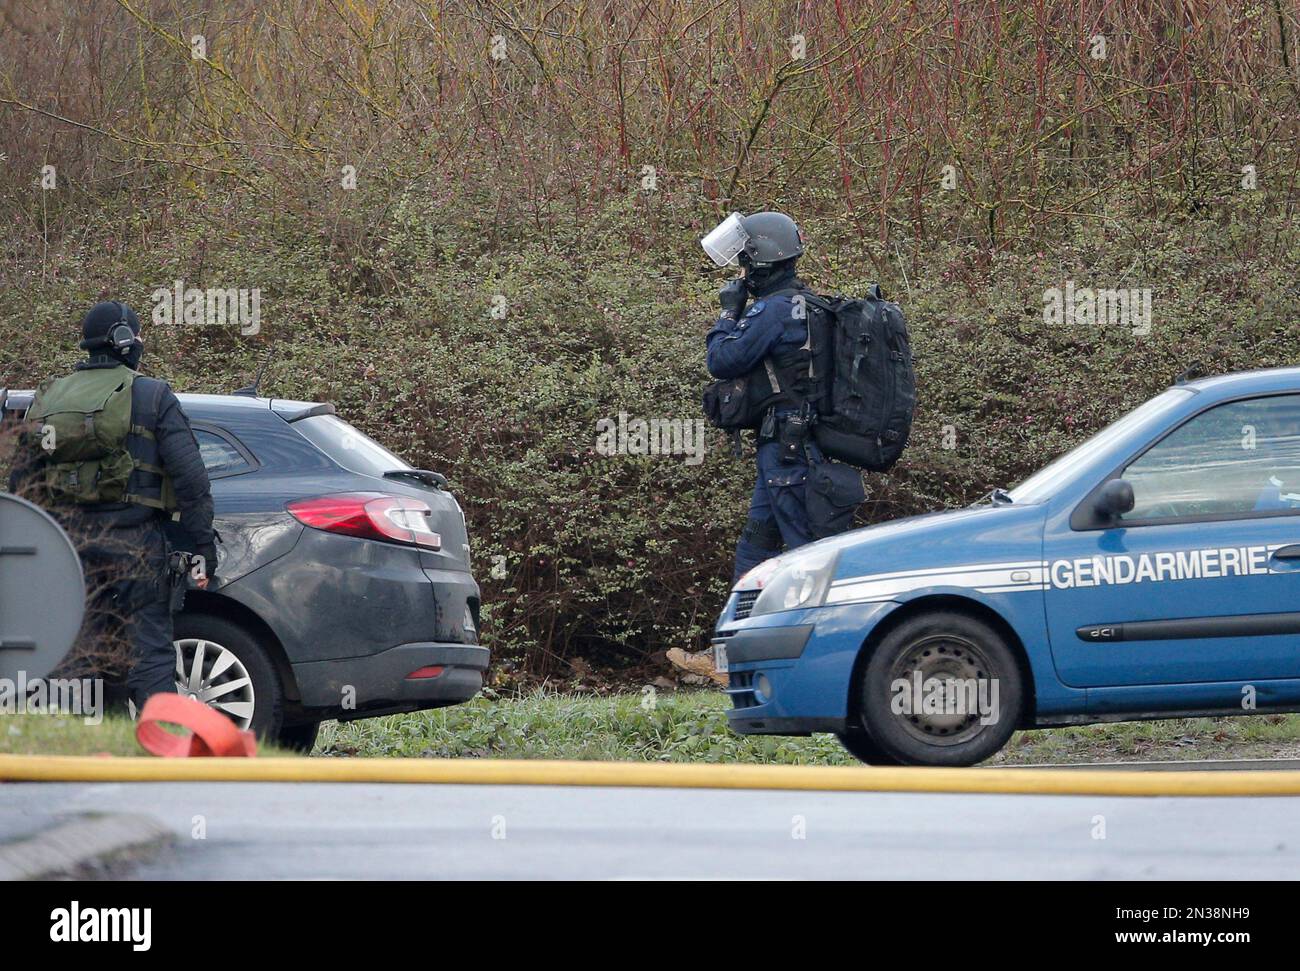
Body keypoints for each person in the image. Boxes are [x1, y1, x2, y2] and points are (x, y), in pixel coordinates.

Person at [8, 300, 216, 709]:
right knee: (150, 653)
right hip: (136, 545)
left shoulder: (48, 396)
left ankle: (74, 761)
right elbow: (192, 481)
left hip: (66, 550)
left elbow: (21, 484)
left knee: (74, 656)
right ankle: (164, 751)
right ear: (125, 341)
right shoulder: (153, 395)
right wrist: (202, 548)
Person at [668, 211, 846, 682]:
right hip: (787, 448)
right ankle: (730, 657)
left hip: (789, 451)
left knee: (805, 557)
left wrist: (728, 311)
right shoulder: (807, 304)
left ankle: (829, 663)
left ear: (761, 257)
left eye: (745, 258)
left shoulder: (774, 310)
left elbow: (723, 360)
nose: (741, 267)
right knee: (754, 551)